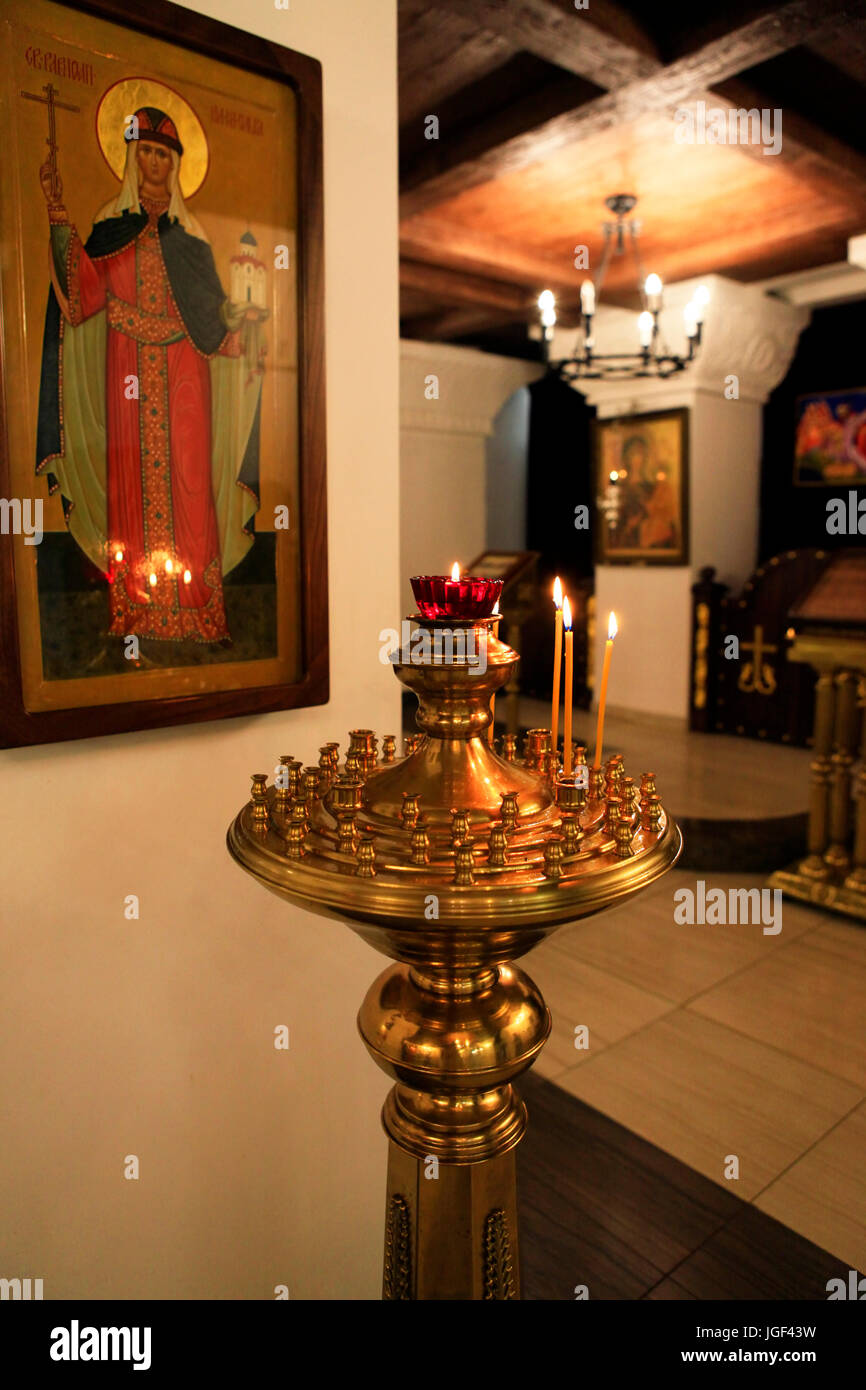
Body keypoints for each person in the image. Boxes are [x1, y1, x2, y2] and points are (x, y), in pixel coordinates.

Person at [35, 105, 265, 645]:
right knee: (131, 480)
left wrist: (246, 327)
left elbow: (215, 319)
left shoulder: (193, 242)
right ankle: (138, 610)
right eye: (147, 152)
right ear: (132, 159)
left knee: (188, 482)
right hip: (127, 377)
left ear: (177, 164)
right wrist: (55, 207)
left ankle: (198, 612)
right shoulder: (113, 229)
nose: (156, 162)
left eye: (165, 153)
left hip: (187, 373)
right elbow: (82, 291)